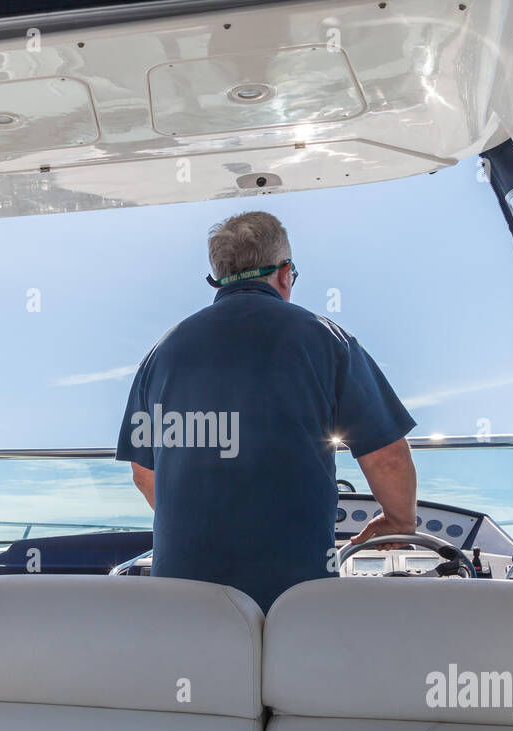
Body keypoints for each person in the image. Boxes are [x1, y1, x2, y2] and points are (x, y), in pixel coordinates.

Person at [116, 211, 418, 612]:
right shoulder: (328, 340)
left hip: (182, 588)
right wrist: (399, 521)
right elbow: (388, 458)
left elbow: (143, 472)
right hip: (294, 588)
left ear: (217, 278)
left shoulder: (162, 352)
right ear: (285, 273)